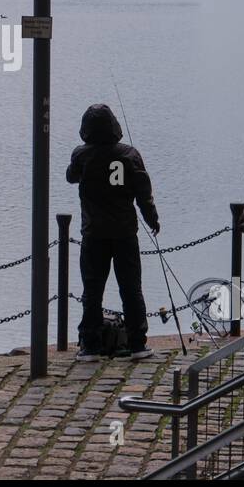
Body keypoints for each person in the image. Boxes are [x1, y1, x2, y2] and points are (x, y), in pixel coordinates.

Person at [65, 103, 160, 362]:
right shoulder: (129, 154)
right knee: (131, 289)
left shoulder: (81, 155)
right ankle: (138, 343)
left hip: (93, 233)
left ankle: (90, 346)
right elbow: (143, 192)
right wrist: (152, 218)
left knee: (92, 291)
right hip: (125, 233)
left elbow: (70, 177)